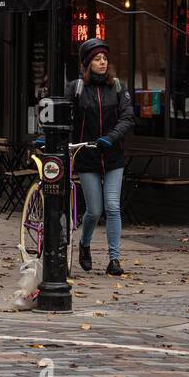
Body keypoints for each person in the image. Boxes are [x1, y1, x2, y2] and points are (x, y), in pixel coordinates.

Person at [68, 38, 134, 276]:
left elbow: (127, 118)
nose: (103, 62)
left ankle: (114, 259)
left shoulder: (117, 87)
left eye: (105, 58)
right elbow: (65, 117)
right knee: (94, 210)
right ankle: (85, 244)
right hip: (87, 157)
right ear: (87, 63)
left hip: (113, 156)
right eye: (97, 59)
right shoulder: (76, 88)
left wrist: (112, 137)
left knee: (113, 207)